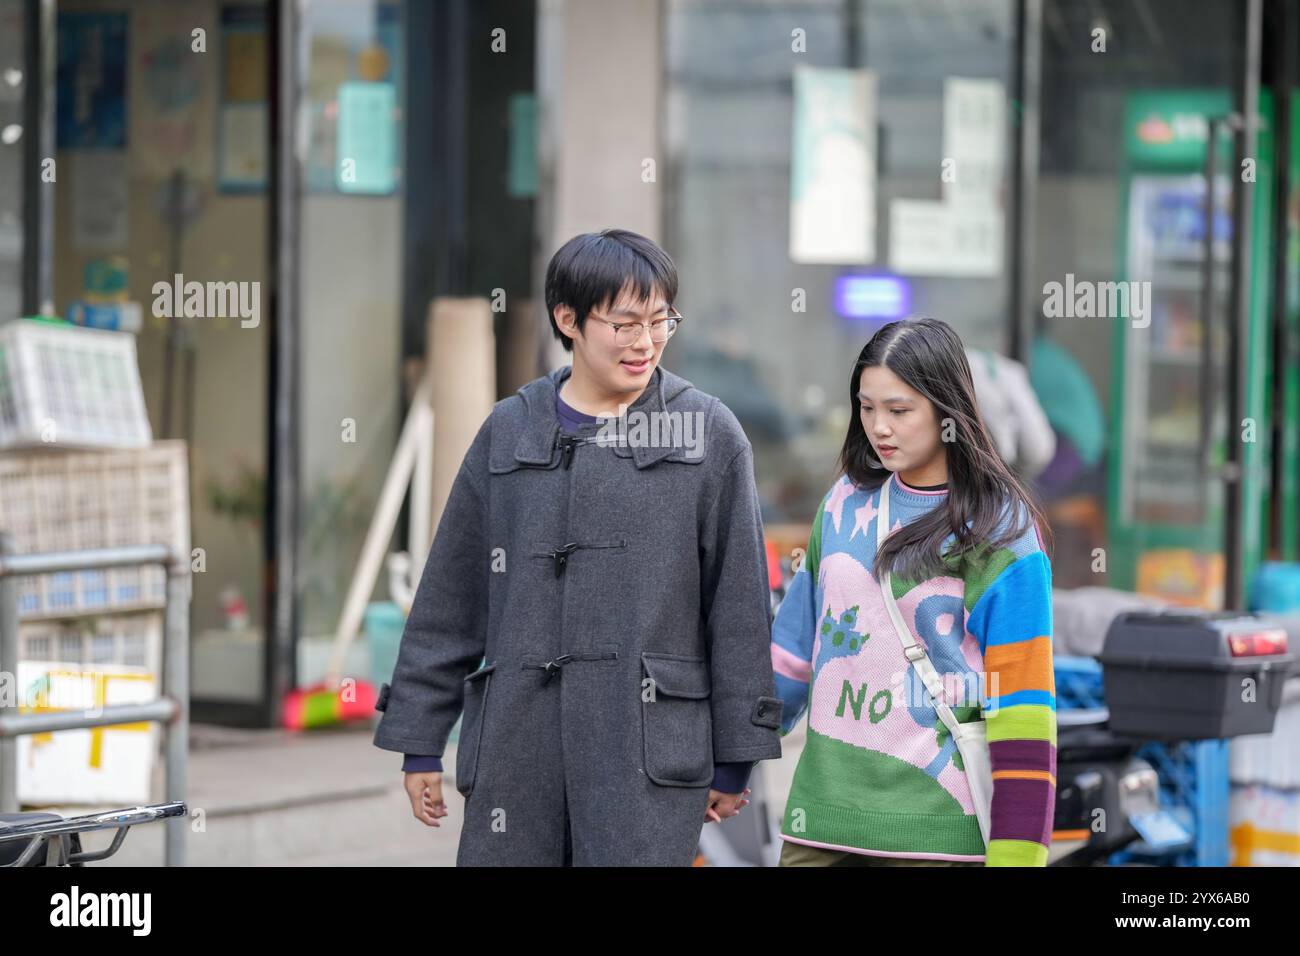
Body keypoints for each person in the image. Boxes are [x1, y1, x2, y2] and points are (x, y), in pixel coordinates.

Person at [373, 228, 783, 866]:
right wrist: (419, 738)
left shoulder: (709, 435)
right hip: (515, 751)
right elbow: (451, 596)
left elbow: (738, 610)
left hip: (646, 756)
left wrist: (737, 757)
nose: (644, 342)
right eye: (624, 323)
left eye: (659, 320)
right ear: (568, 319)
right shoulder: (510, 429)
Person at [771, 317, 1056, 866]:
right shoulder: (842, 503)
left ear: (949, 412)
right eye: (866, 406)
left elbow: (1023, 706)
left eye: (900, 411)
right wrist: (734, 761)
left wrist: (1018, 857)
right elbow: (791, 650)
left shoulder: (1001, 531)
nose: (880, 427)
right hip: (819, 826)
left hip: (937, 837)